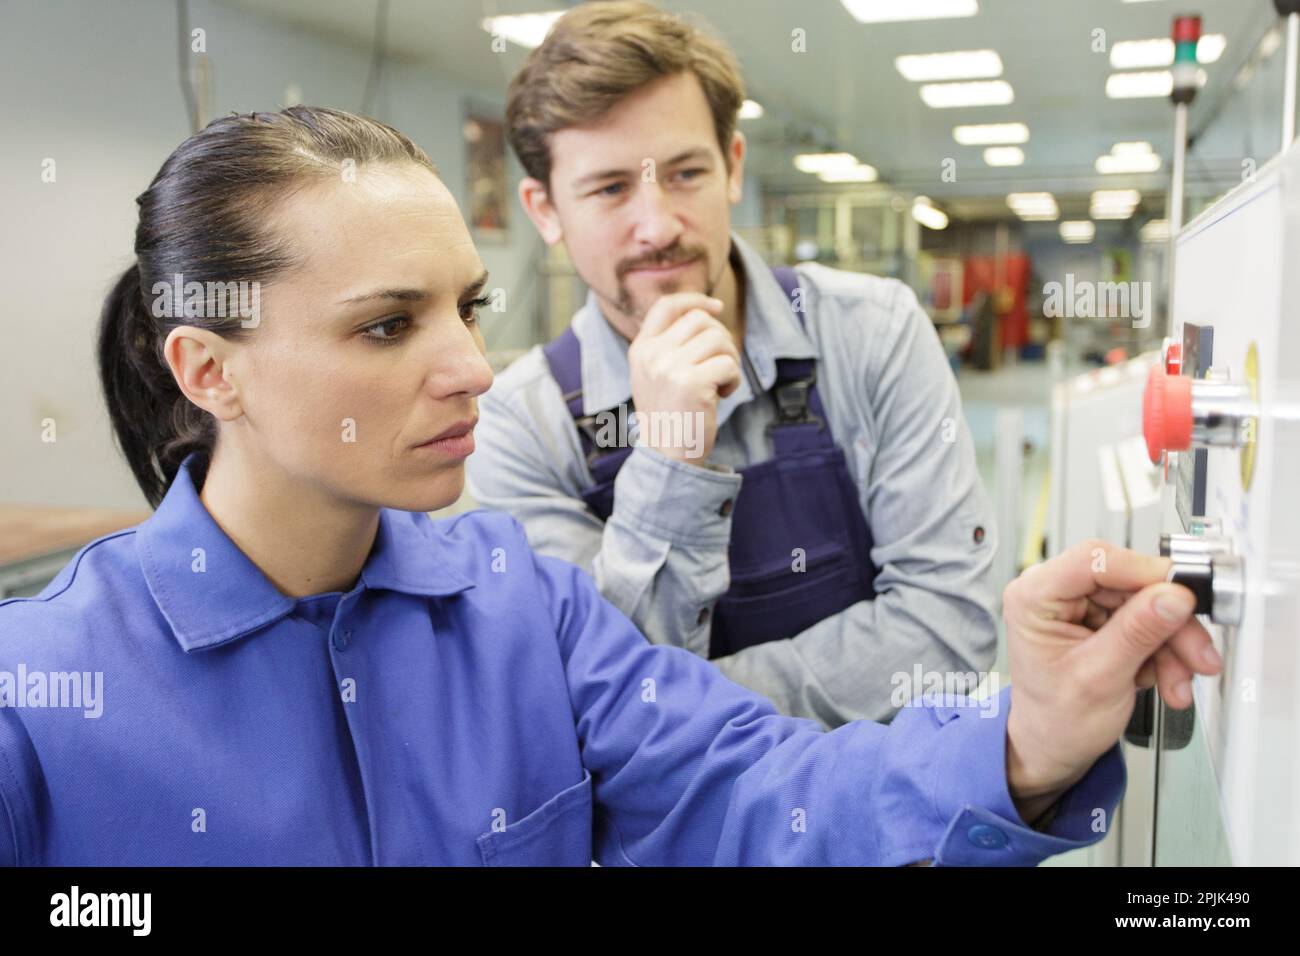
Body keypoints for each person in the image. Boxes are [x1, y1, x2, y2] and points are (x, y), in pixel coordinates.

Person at [0, 107, 1220, 866]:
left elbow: (762, 784)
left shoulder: (524, 611)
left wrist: (1025, 740)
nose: (472, 367)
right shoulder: (39, 705)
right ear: (210, 368)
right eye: (387, 327)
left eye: (467, 309)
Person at [467, 0, 999, 727]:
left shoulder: (872, 332)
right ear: (544, 209)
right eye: (610, 188)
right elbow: (584, 703)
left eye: (685, 173)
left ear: (733, 166)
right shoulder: (517, 431)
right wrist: (667, 461)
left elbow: (949, 631)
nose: (657, 226)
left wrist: (687, 713)